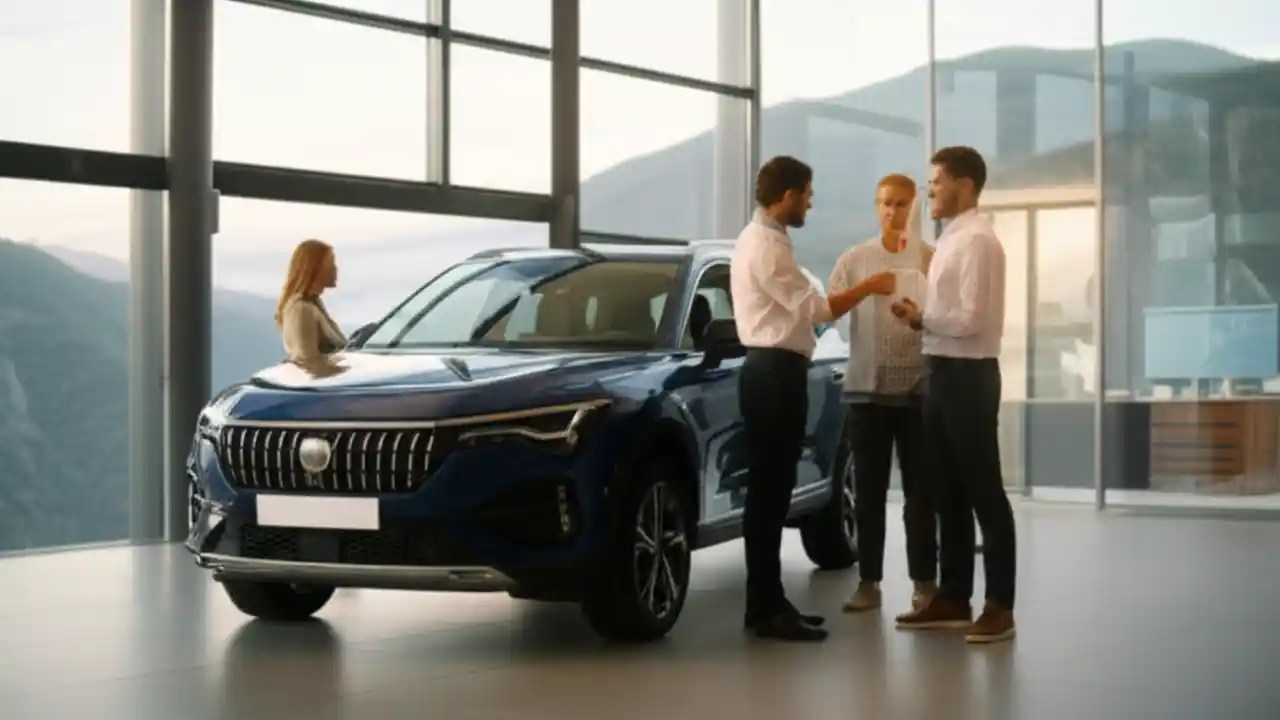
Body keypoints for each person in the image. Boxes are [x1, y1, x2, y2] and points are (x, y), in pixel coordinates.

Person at [731, 155, 867, 642]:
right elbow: (820, 309)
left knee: (772, 491)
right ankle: (765, 608)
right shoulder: (767, 247)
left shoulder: (763, 240)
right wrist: (869, 286)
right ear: (787, 195)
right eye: (808, 192)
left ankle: (768, 603)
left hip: (775, 372)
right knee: (769, 494)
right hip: (774, 375)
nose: (811, 200)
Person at [891, 146, 1016, 644]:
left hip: (969, 375)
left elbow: (972, 319)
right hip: (941, 371)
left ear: (964, 184)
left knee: (984, 491)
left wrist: (921, 317)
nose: (929, 191)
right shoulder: (952, 240)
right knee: (946, 491)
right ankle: (954, 596)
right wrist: (922, 315)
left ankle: (1001, 606)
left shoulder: (980, 242)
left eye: (936, 181)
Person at [827, 175, 938, 617]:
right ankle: (868, 582)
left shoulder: (930, 259)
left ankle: (924, 584)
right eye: (886, 204)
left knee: (921, 494)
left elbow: (944, 316)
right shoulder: (856, 259)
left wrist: (917, 317)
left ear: (915, 206)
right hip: (866, 394)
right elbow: (827, 309)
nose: (893, 212)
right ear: (877, 207)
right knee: (869, 492)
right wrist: (868, 289)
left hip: (917, 392)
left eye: (901, 204)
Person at [276, 238, 347, 362]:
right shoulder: (301, 309)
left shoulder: (314, 303)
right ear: (315, 268)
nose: (335, 269)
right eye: (330, 263)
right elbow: (306, 360)